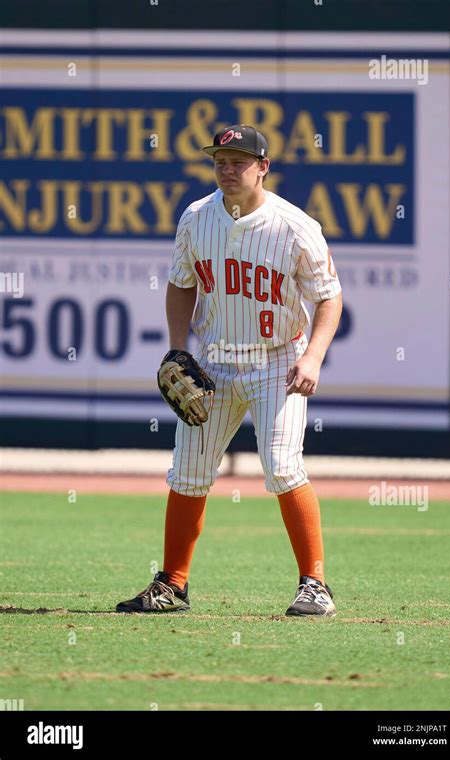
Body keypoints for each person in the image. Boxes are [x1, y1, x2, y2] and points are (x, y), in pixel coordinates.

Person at [116, 124, 342, 617]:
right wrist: (178, 349)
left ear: (263, 167)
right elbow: (181, 284)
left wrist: (313, 356)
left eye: (239, 160)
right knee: (188, 472)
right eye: (220, 159)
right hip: (215, 360)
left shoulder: (294, 225)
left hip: (277, 360)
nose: (228, 168)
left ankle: (315, 585)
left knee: (283, 468)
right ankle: (173, 585)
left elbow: (329, 296)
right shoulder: (197, 217)